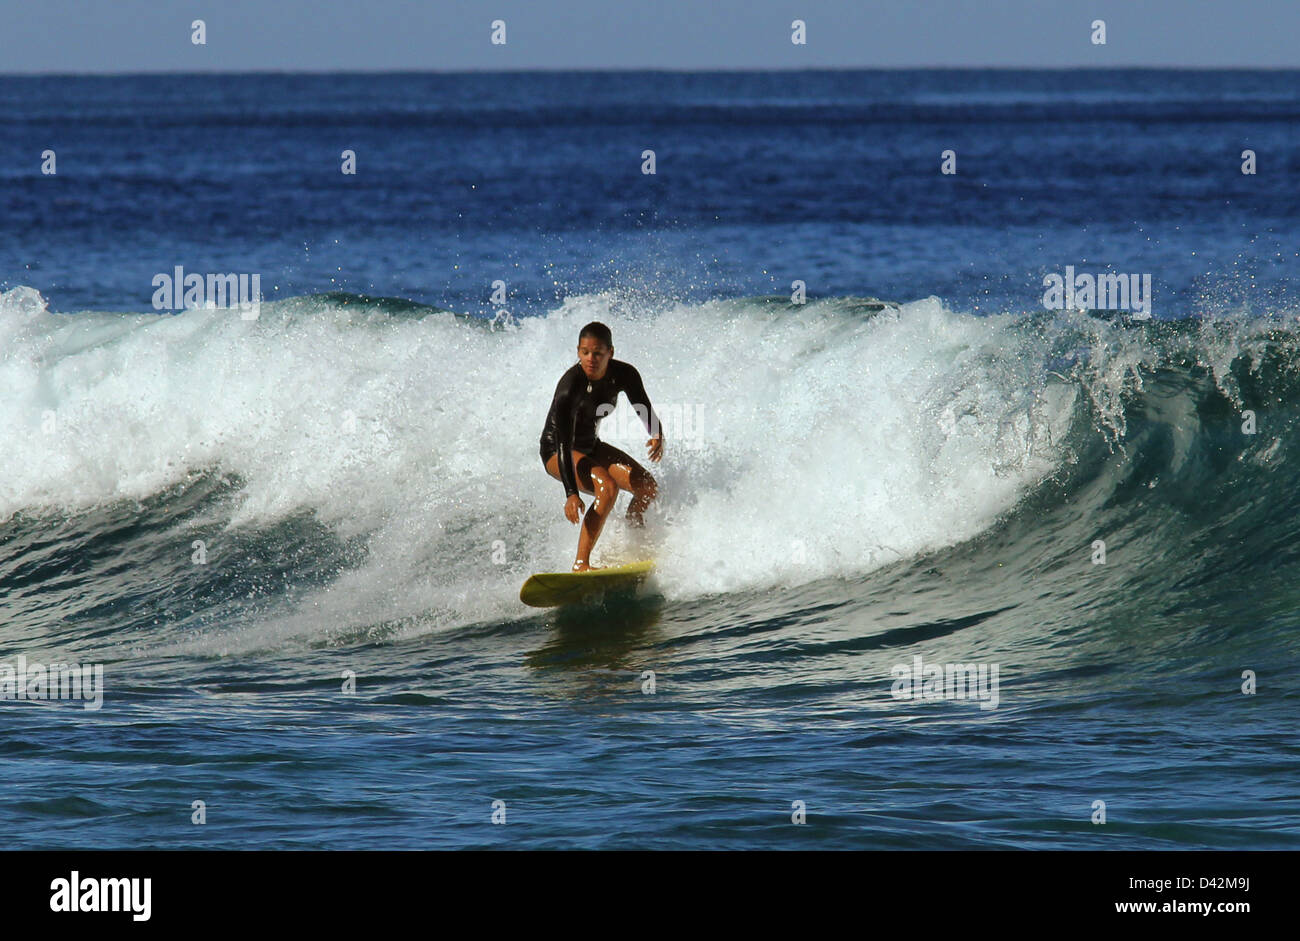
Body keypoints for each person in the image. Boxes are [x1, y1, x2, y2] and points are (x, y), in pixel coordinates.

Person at [539, 321, 664, 571]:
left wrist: (657, 433)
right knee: (605, 487)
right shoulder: (569, 387)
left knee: (647, 487)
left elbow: (642, 405)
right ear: (578, 351)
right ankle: (581, 564)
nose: (591, 358)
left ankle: (634, 541)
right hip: (557, 451)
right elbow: (563, 442)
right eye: (585, 352)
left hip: (591, 446)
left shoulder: (624, 374)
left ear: (611, 352)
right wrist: (571, 493)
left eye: (598, 353)